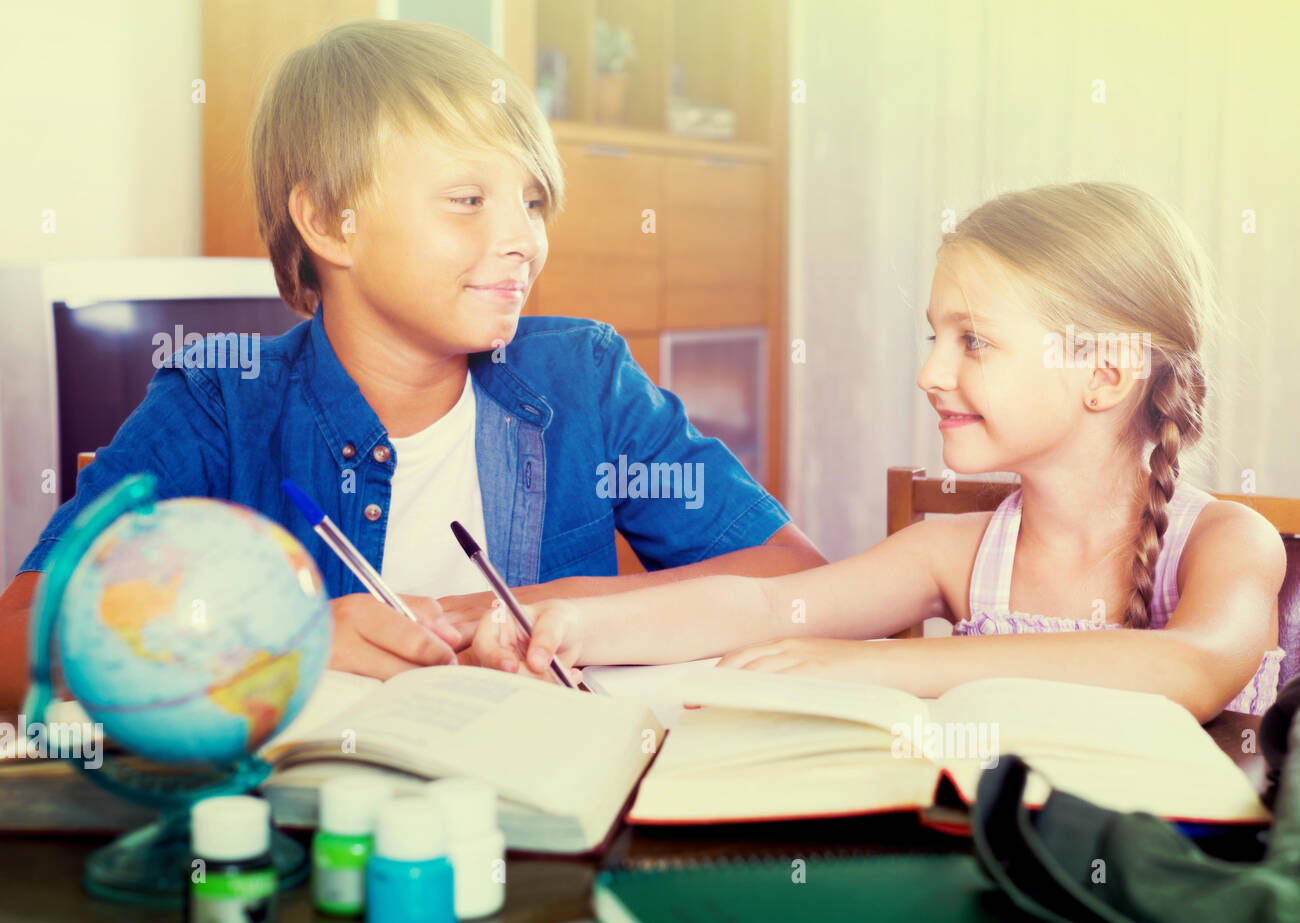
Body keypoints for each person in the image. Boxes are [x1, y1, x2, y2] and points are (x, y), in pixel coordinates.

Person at [0, 21, 823, 709]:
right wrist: (295, 636)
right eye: (468, 200)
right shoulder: (220, 403)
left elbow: (795, 580)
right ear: (330, 221)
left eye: (531, 200)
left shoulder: (586, 381)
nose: (521, 238)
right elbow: (18, 640)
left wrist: (540, 608)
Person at [474, 183, 1285, 722]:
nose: (931, 373)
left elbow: (1188, 668)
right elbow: (764, 607)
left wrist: (871, 670)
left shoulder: (1223, 542)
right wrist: (578, 625)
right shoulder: (949, 553)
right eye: (937, 337)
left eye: (974, 341)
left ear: (1104, 372)